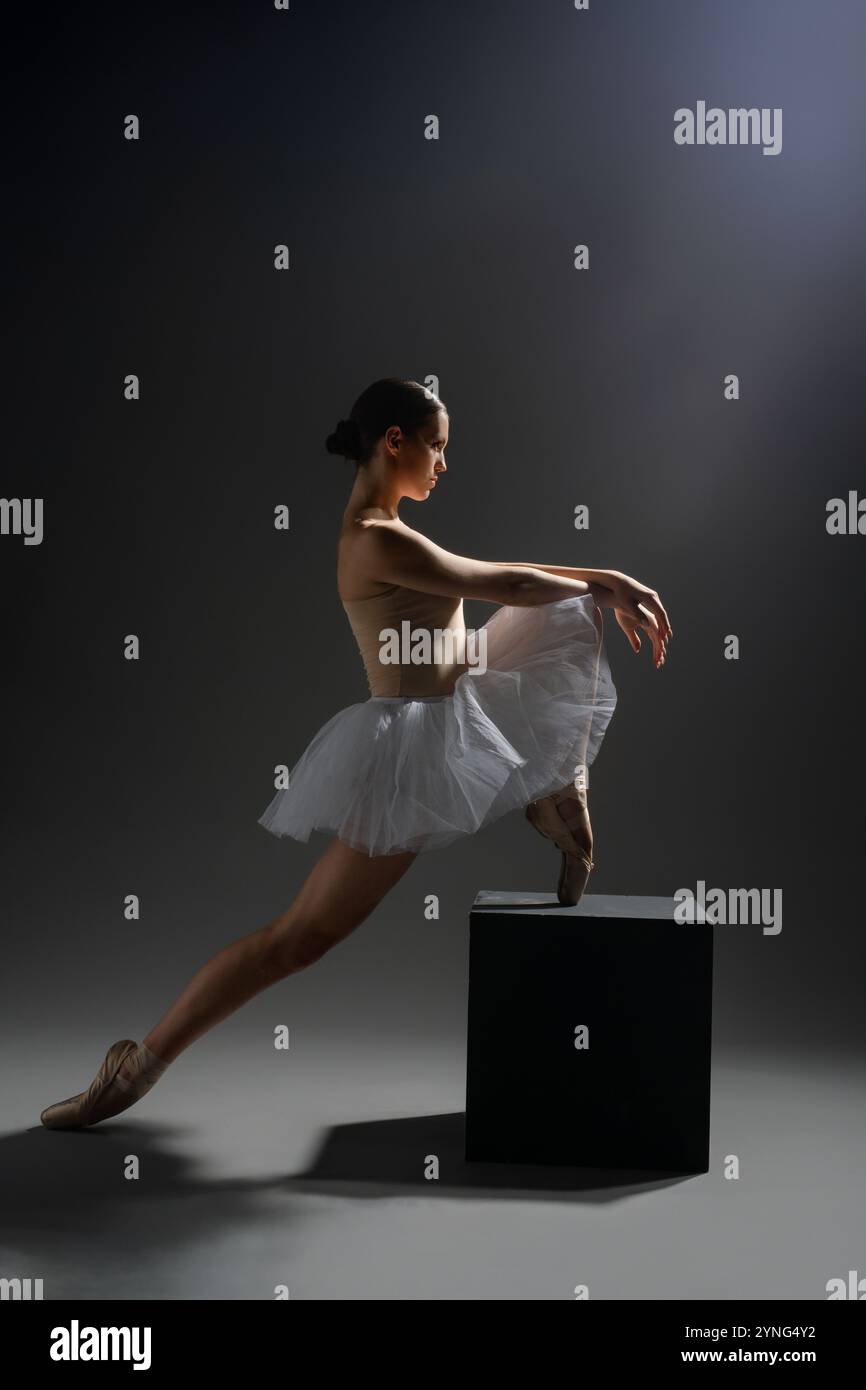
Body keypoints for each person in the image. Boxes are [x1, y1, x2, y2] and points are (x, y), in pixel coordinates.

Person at [40, 379, 671, 1131]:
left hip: (460, 691)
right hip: (411, 741)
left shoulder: (389, 528)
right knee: (298, 941)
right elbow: (500, 579)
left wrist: (597, 587)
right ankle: (135, 1069)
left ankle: (555, 787)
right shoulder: (374, 536)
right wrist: (613, 578)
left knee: (566, 614)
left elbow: (501, 579)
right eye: (436, 445)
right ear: (394, 442)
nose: (444, 463)